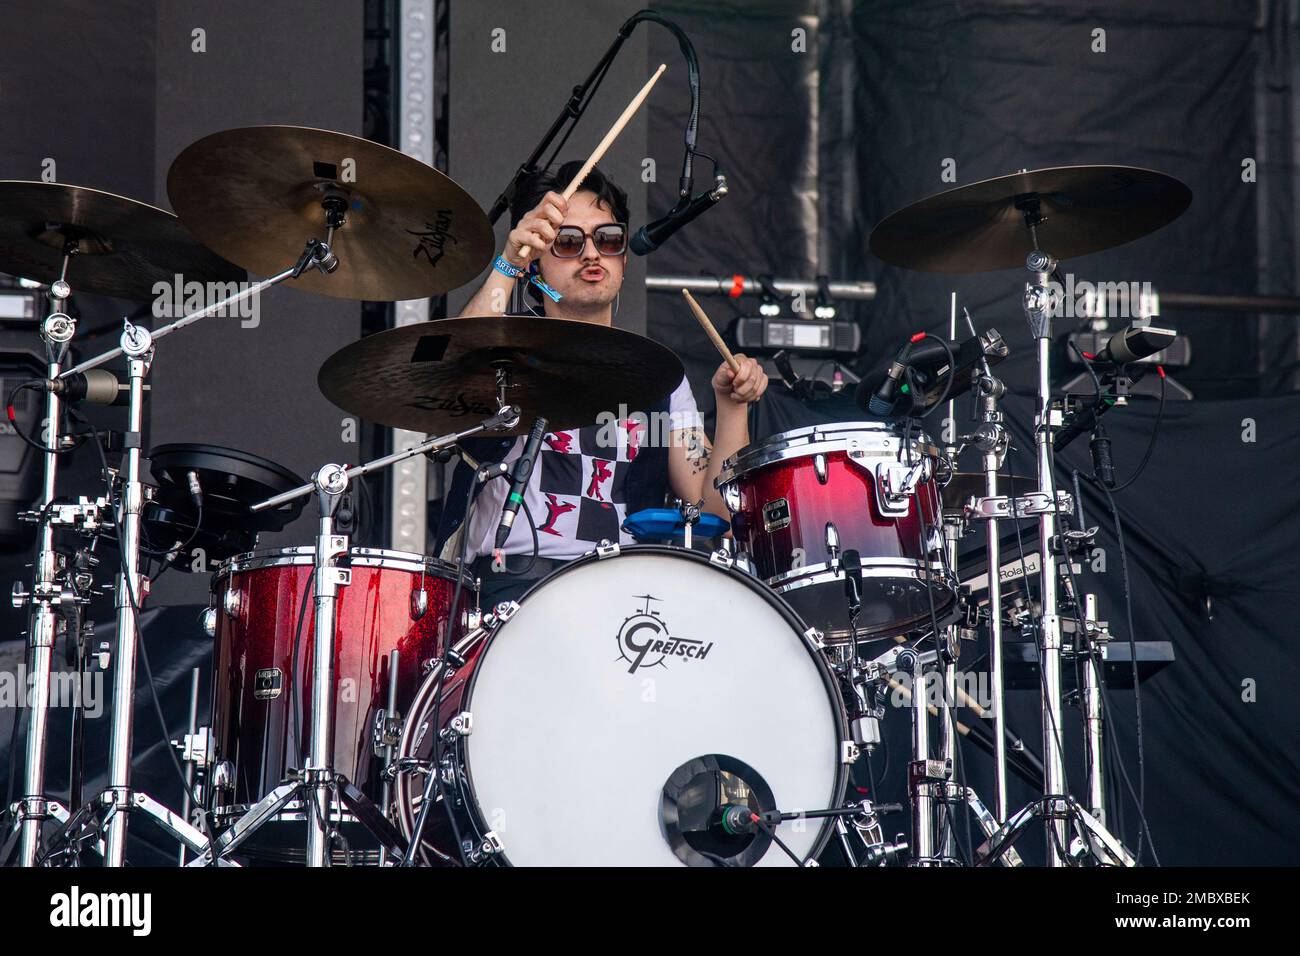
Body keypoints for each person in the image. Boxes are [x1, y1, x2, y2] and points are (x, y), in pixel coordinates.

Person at [435, 160, 766, 605]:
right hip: (513, 588)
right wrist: (509, 261)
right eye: (568, 242)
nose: (592, 254)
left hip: (628, 595)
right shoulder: (504, 357)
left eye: (608, 239)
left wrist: (731, 408)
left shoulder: (660, 379)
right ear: (536, 268)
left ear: (624, 260)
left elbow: (715, 511)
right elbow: (448, 384)